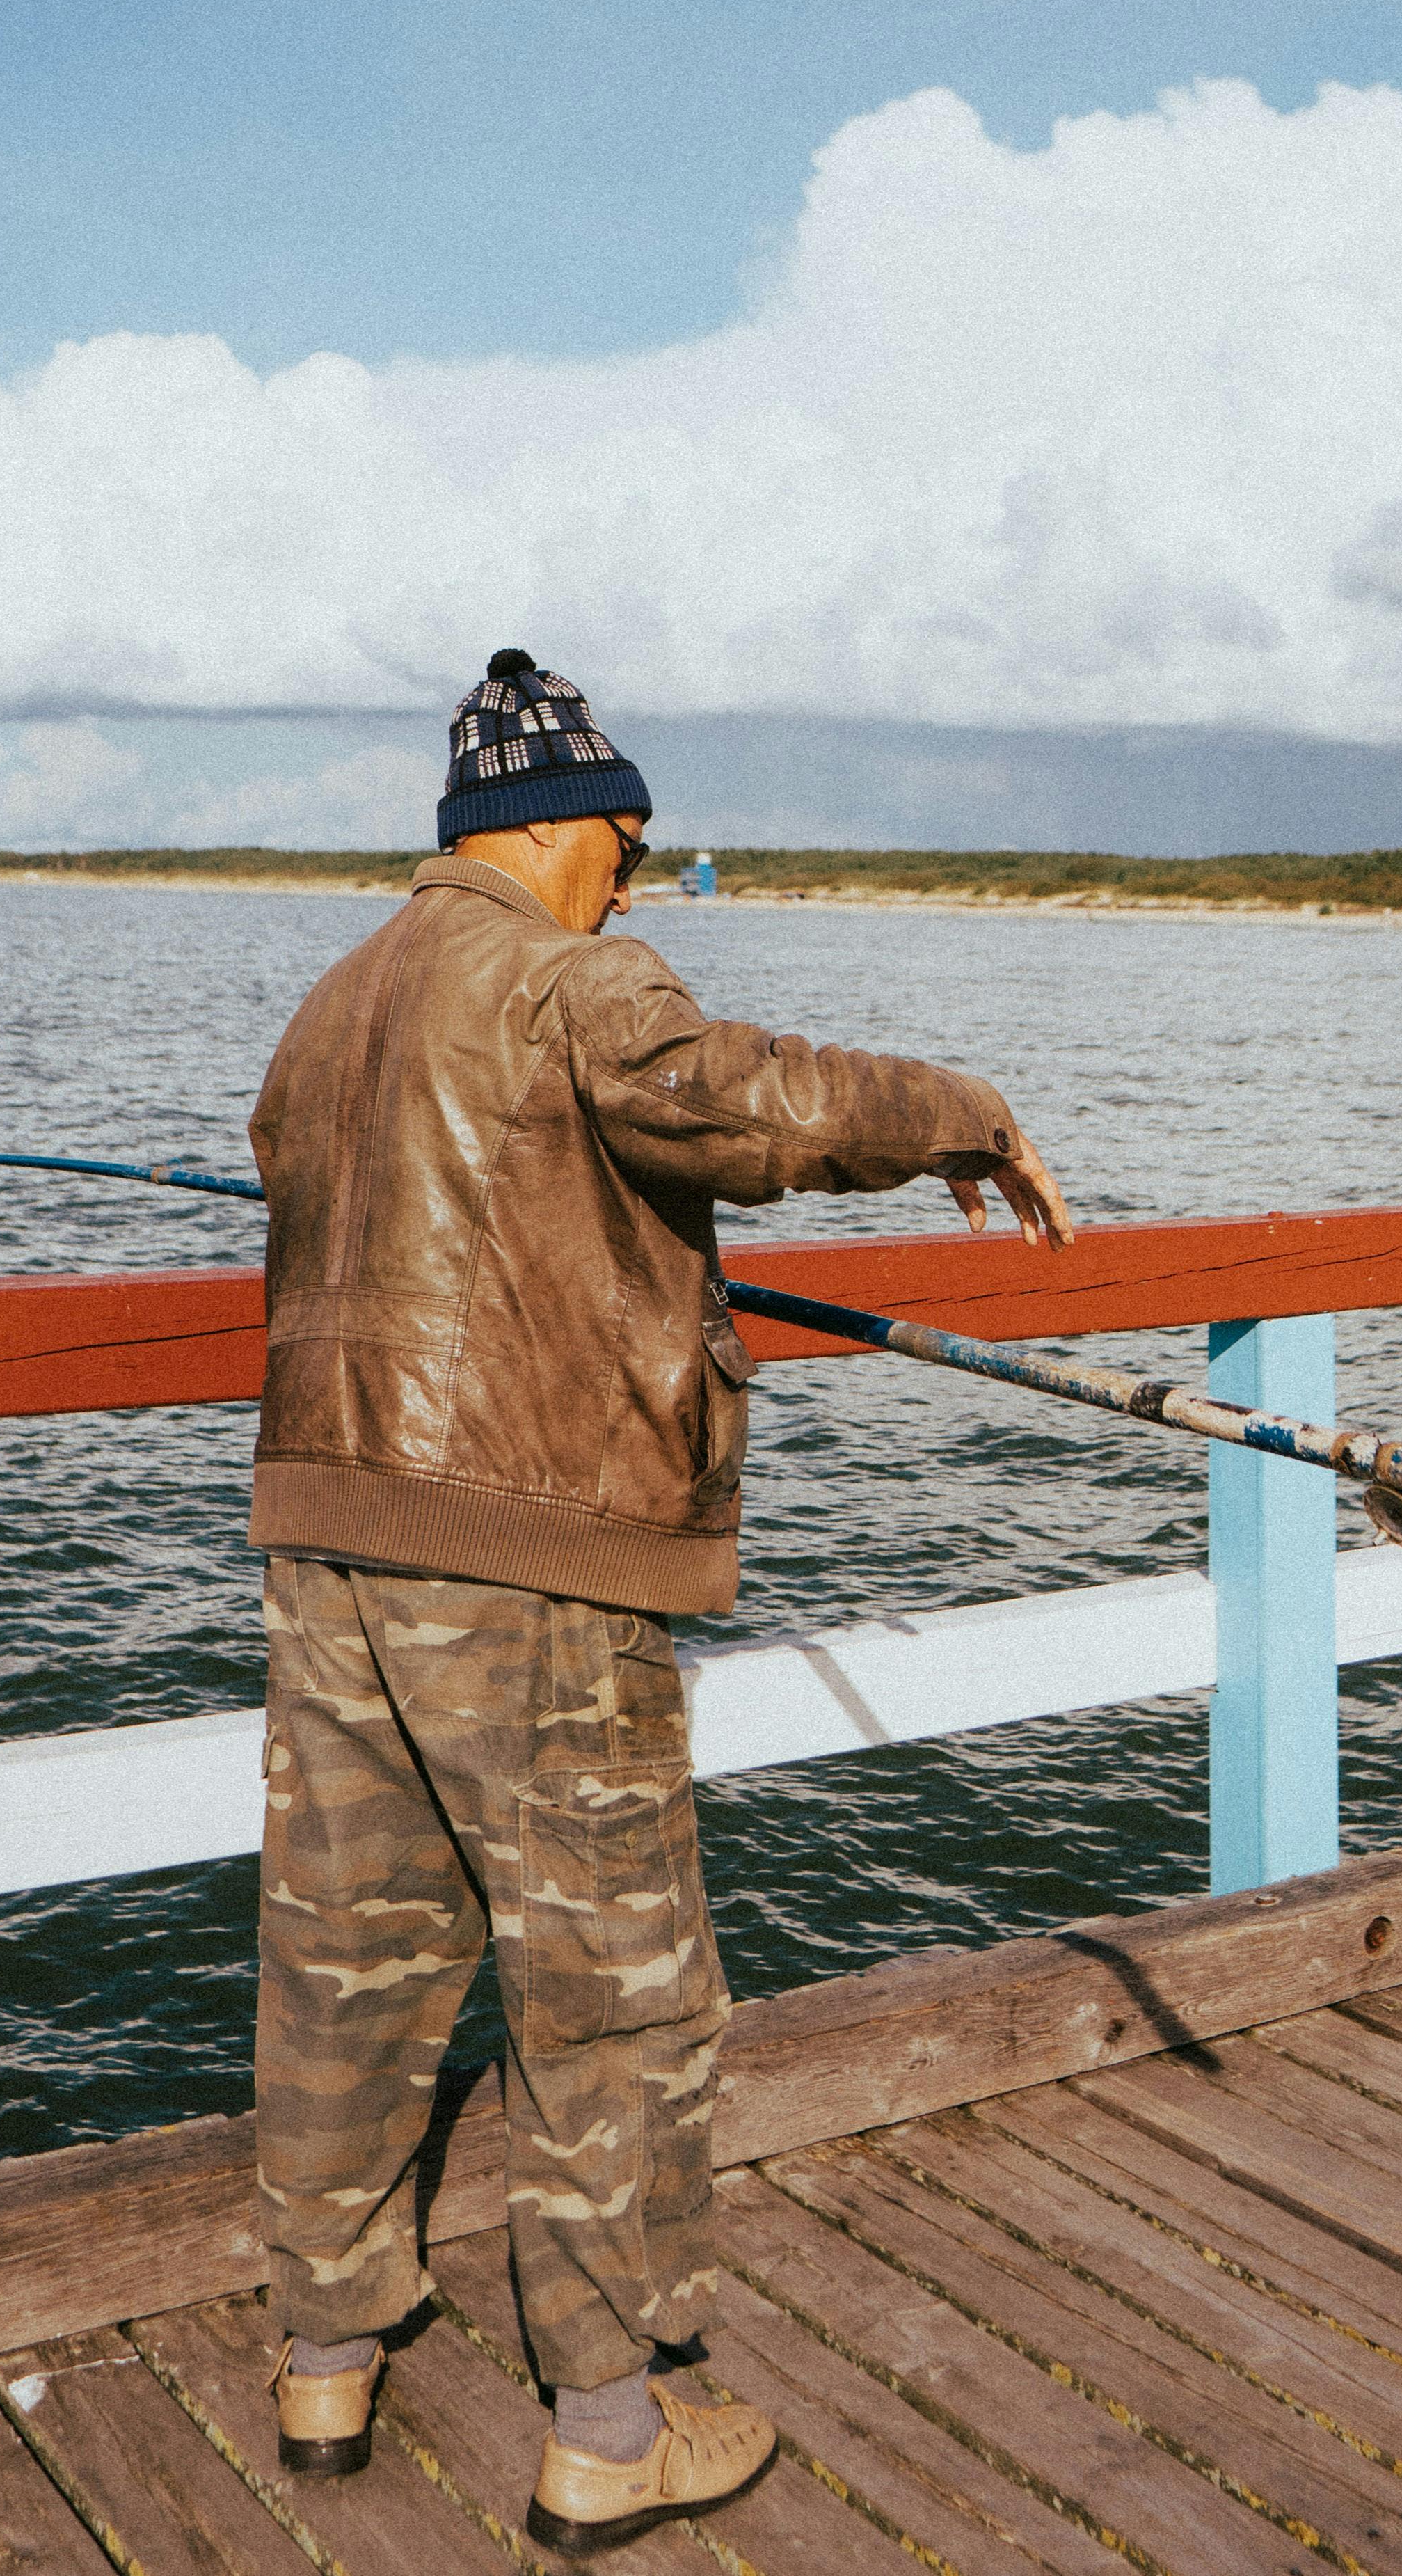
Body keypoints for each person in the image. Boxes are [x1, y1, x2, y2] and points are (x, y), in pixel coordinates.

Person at [246, 650, 1074, 2555]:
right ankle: (612, 2435)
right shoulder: (568, 976)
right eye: (629, 841)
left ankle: (325, 2360)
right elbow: (735, 1101)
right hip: (529, 1555)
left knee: (345, 1971)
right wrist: (962, 1108)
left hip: (326, 1539)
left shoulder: (331, 1004)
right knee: (608, 1996)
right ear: (554, 826)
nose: (637, 878)